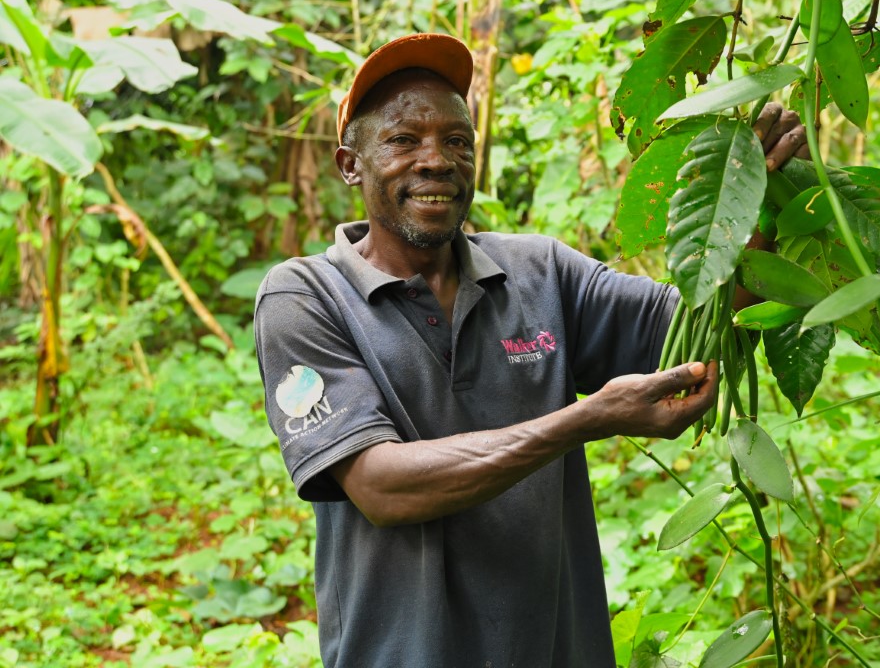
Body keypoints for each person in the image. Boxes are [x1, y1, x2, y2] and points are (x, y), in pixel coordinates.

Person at [253, 33, 809, 667]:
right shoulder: (304, 297)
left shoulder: (541, 270)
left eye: (457, 141)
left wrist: (746, 203)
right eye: (403, 141)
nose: (436, 160)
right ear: (350, 164)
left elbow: (700, 323)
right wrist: (588, 419)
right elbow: (382, 487)